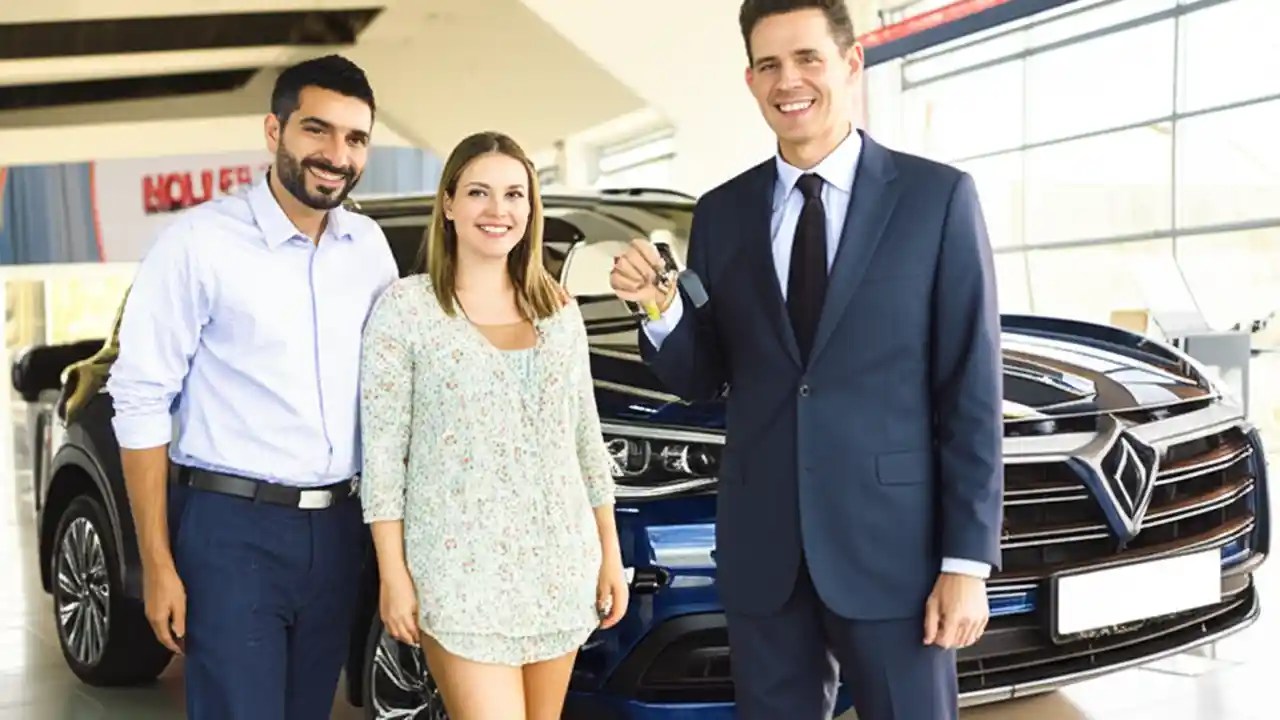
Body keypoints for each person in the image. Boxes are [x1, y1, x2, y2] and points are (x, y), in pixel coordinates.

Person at [609, 1, 1004, 718]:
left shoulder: (936, 199)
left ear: (851, 63)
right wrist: (661, 312)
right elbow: (707, 378)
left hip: (896, 557)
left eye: (807, 59)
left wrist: (966, 563)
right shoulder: (722, 213)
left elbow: (970, 393)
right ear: (751, 80)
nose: (788, 80)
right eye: (768, 65)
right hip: (766, 554)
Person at [106, 55, 398, 719]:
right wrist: (156, 562)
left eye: (355, 138)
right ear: (274, 130)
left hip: (340, 528)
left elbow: (394, 390)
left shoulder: (370, 249)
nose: (335, 154)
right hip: (233, 531)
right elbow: (140, 400)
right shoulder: (198, 243)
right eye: (316, 130)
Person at [358, 130, 628, 720]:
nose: (498, 210)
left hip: (559, 565)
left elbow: (585, 439)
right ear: (449, 204)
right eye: (479, 192)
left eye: (514, 194)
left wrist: (609, 554)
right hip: (459, 574)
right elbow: (381, 457)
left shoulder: (559, 312)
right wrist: (393, 575)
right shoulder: (406, 309)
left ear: (531, 210)